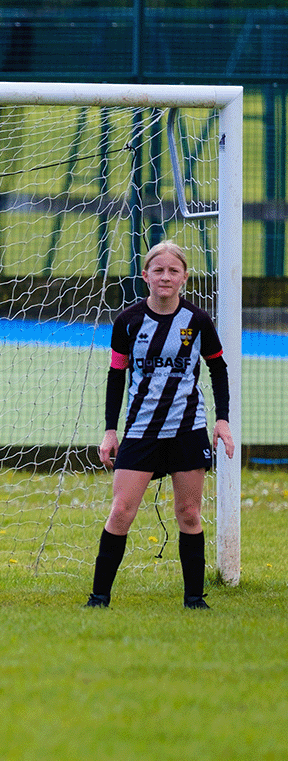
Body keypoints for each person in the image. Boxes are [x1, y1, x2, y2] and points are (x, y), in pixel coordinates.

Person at [86, 240, 234, 610]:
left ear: (184, 277)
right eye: (158, 270)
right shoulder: (128, 322)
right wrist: (110, 429)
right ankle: (98, 599)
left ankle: (195, 600)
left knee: (188, 513)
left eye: (173, 270)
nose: (165, 277)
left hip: (187, 429)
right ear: (145, 276)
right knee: (121, 512)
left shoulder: (198, 321)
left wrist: (221, 420)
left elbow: (218, 368)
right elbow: (116, 375)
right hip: (141, 431)